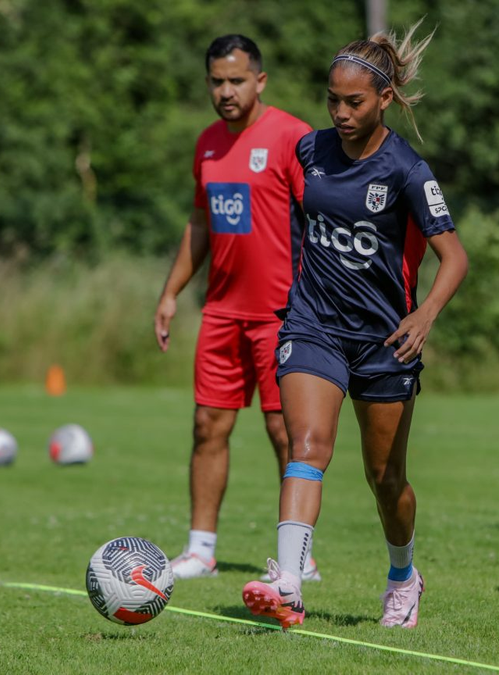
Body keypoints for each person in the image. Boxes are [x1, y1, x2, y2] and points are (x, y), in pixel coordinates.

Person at [242, 20, 467, 629]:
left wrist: (424, 313)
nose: (340, 112)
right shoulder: (308, 150)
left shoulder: (407, 169)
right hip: (313, 324)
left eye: (354, 102)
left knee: (385, 477)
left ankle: (403, 577)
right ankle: (287, 582)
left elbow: (456, 257)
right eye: (332, 100)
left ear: (385, 99)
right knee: (306, 446)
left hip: (383, 340)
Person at [154, 35, 314, 580]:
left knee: (283, 432)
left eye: (236, 80)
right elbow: (200, 223)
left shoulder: (293, 137)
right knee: (207, 426)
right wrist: (172, 291)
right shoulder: (205, 144)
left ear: (260, 81)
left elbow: (319, 221)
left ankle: (298, 558)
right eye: (217, 81)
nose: (226, 91)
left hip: (282, 315)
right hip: (221, 313)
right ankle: (200, 549)